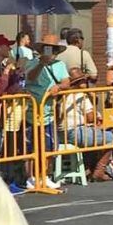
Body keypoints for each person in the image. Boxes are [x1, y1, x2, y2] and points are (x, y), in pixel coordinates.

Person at [24, 34, 70, 188]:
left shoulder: (60, 65)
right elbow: (30, 78)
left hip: (49, 112)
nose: (49, 52)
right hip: (31, 110)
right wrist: (41, 64)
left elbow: (66, 82)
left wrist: (59, 87)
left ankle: (45, 175)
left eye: (52, 49)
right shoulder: (32, 63)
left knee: (49, 145)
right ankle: (30, 177)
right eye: (47, 49)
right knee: (31, 146)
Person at [61, 68, 113, 182]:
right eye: (83, 81)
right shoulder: (80, 95)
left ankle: (88, 168)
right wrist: (97, 118)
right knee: (110, 137)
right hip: (76, 132)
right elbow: (90, 118)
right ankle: (99, 171)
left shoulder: (61, 95)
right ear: (78, 83)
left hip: (61, 134)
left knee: (94, 137)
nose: (85, 83)